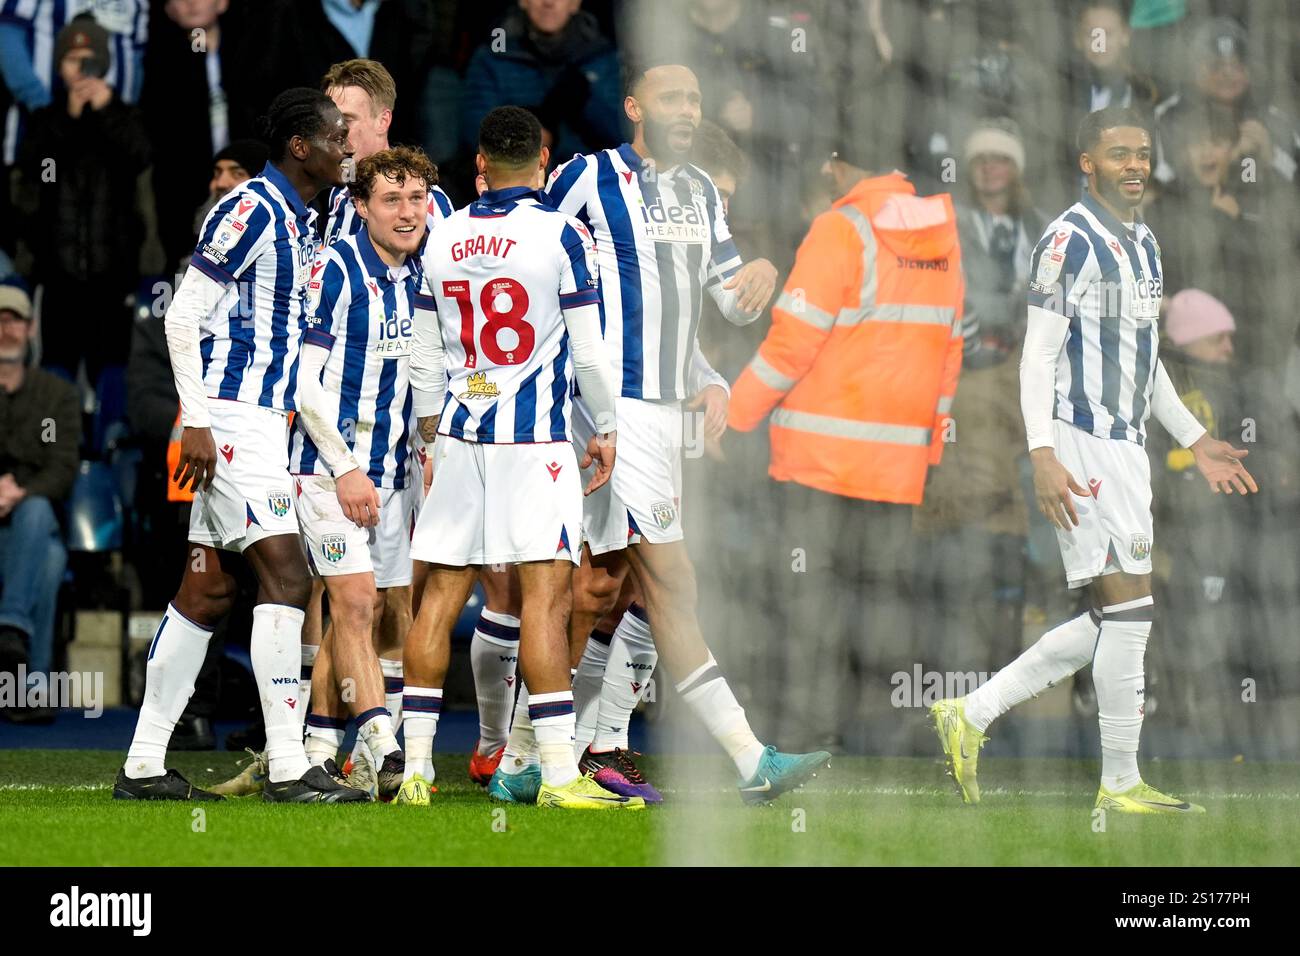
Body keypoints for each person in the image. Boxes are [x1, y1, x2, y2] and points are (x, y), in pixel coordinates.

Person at [930, 106, 1258, 814]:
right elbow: (1037, 357)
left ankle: (972, 714)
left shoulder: (1143, 243)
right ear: (1088, 162)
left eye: (1142, 153)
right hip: (1081, 440)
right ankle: (1118, 783)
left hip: (1129, 445)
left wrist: (1193, 439)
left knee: (1118, 615)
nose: (1134, 164)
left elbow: (1148, 364)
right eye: (1118, 154)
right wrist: (1042, 453)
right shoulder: (1065, 241)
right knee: (1131, 608)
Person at [542, 62, 830, 805]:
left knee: (599, 584)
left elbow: (730, 305)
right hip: (616, 411)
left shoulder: (702, 192)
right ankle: (748, 757)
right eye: (672, 95)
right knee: (670, 582)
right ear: (635, 106)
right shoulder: (587, 176)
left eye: (696, 97)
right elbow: (533, 258)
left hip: (666, 418)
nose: (687, 108)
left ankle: (538, 756)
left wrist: (762, 273)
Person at [114, 88, 366, 804]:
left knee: (210, 588)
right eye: (332, 135)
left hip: (260, 420)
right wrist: (195, 420)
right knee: (288, 578)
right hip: (230, 420)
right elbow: (183, 312)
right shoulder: (251, 209)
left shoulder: (301, 220)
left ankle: (141, 766)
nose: (343, 145)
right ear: (298, 146)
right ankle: (289, 767)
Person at [402, 105, 637, 809]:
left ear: (479, 165)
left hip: (462, 439)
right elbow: (589, 351)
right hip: (534, 446)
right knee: (546, 597)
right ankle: (559, 775)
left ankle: (415, 772)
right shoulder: (563, 234)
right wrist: (609, 427)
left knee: (438, 599)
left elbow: (422, 354)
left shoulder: (440, 236)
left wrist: (430, 434)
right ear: (543, 159)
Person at [727, 136, 964, 751]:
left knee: (809, 605)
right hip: (897, 465)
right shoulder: (944, 232)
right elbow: (950, 350)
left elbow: (791, 345)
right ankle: (879, 734)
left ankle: (806, 732)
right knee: (880, 601)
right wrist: (930, 450)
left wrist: (733, 415)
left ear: (834, 163)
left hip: (819, 463)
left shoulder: (841, 228)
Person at [296, 58, 453, 797]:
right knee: (349, 599)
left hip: (400, 458)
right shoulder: (331, 246)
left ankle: (323, 747)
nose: (406, 211)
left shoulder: (431, 231)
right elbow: (306, 378)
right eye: (390, 200)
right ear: (362, 205)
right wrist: (343, 465)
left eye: (348, 116)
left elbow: (449, 341)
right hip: (329, 461)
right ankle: (377, 742)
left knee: (380, 604)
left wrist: (437, 437)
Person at [15, 12, 151, 389]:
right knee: (56, 371)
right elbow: (38, 172)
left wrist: (106, 110)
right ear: (59, 65)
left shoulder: (125, 116)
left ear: (104, 65)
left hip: (115, 276)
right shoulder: (46, 120)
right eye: (73, 59)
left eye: (90, 59)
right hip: (56, 277)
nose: (81, 68)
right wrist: (70, 119)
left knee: (113, 372)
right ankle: (56, 446)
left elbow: (141, 157)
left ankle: (110, 446)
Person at [0, 283, 80, 723]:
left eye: (14, 320)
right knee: (48, 558)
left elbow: (62, 467)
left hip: (31, 515)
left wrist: (19, 492)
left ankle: (11, 630)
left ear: (30, 329)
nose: (5, 329)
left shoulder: (54, 395)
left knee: (37, 518)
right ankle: (31, 688)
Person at [460, 0, 623, 165]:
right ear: (523, 2)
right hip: (516, 179)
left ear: (575, 3)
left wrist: (587, 102)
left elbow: (624, 134)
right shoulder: (492, 59)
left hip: (591, 179)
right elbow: (475, 135)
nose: (549, 2)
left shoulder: (603, 58)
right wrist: (530, 133)